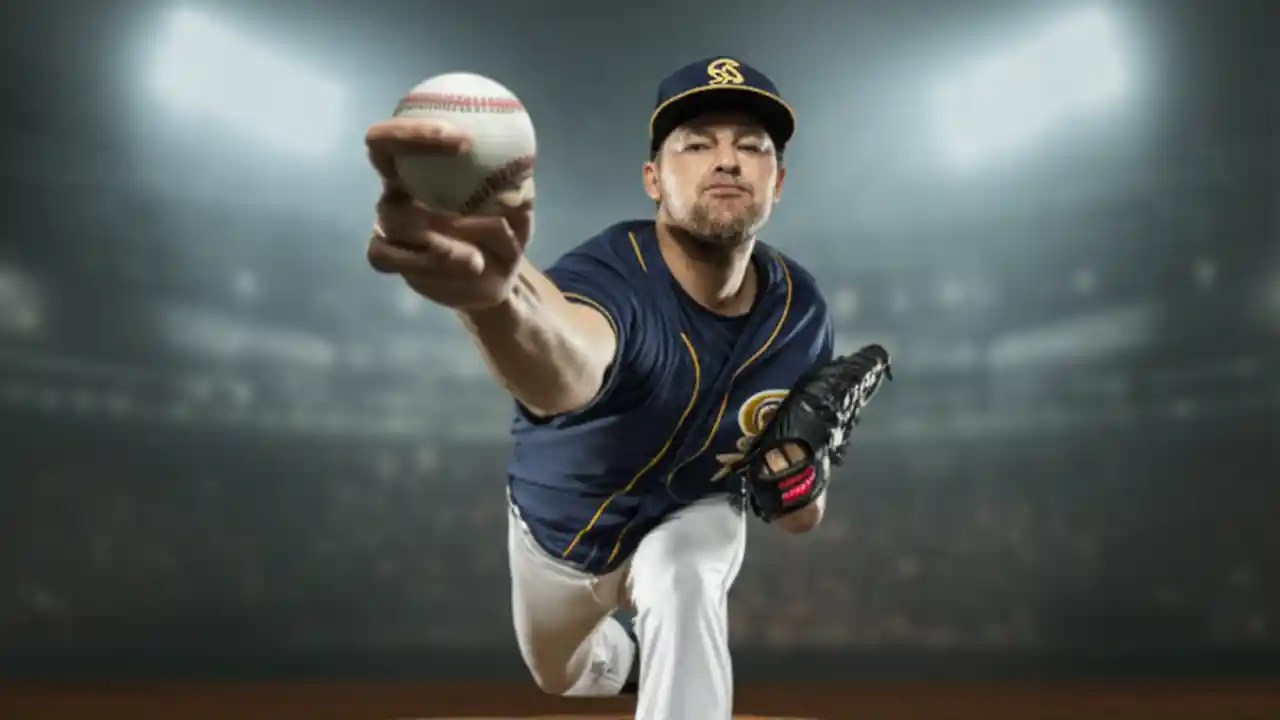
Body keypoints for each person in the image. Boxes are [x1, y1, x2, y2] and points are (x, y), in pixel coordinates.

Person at [366, 56, 840, 720]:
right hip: (557, 538)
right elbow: (571, 355)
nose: (727, 161)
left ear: (778, 181)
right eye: (698, 144)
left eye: (751, 147)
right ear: (653, 179)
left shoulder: (804, 315)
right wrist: (495, 301)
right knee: (558, 674)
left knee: (683, 572)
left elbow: (799, 515)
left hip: (691, 514)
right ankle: (634, 660)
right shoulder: (614, 273)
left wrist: (800, 477)